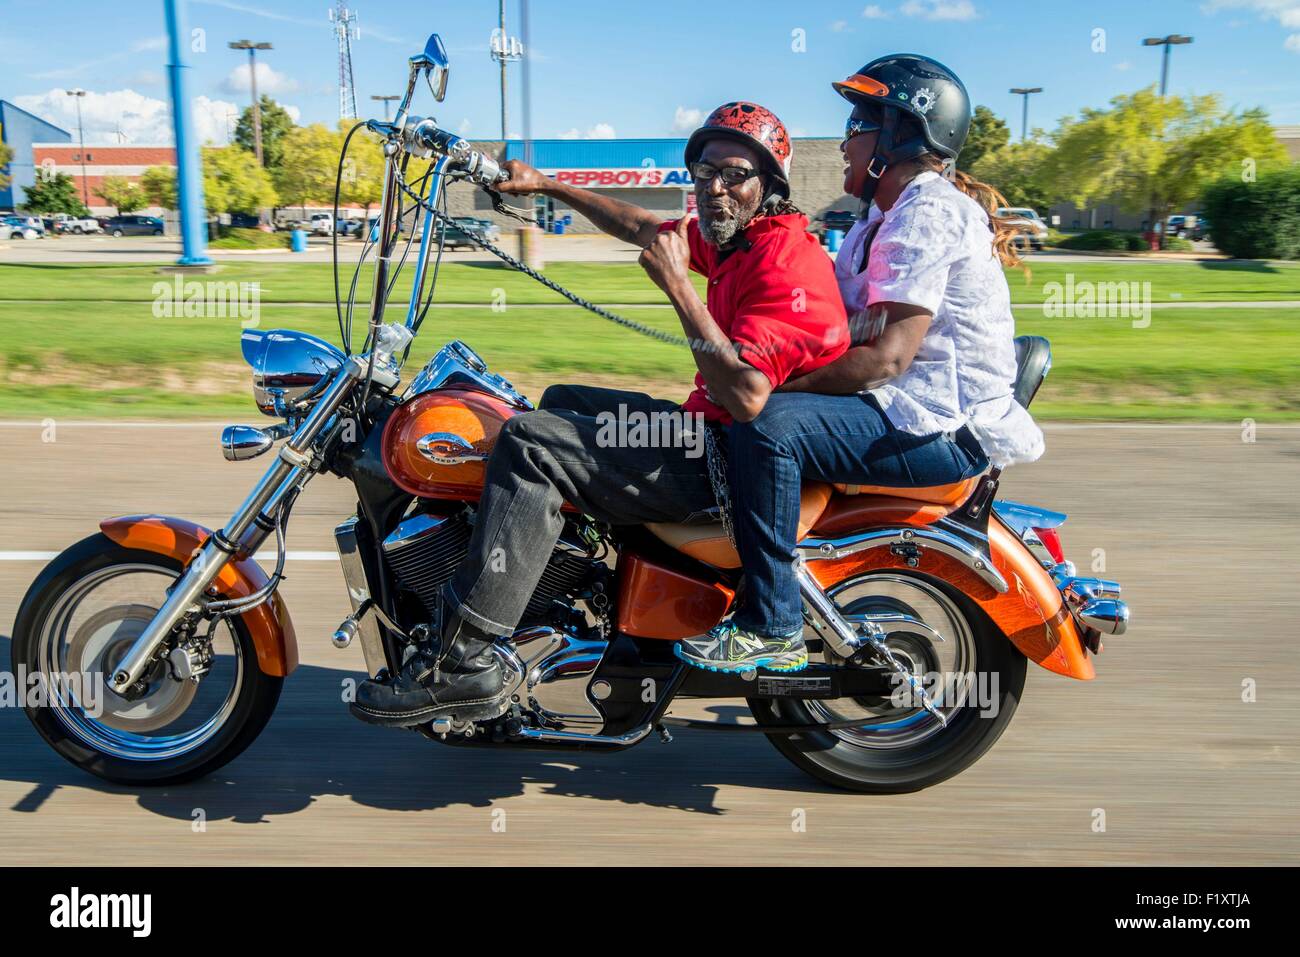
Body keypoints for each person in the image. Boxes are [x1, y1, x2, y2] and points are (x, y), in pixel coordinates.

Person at [351, 102, 849, 726]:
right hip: (701, 433)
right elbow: (643, 225)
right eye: (703, 172)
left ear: (769, 183)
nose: (713, 188)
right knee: (561, 402)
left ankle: (465, 660)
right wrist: (548, 185)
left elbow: (748, 396)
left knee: (530, 442)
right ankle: (563, 580)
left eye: (733, 174)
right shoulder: (740, 239)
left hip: (722, 459)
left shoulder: (787, 265)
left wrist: (678, 288)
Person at [675, 55, 1045, 674]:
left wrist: (768, 388)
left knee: (769, 427)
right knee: (754, 411)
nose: (846, 143)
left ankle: (771, 625)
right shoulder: (879, 220)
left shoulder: (928, 214)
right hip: (905, 408)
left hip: (937, 424)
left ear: (900, 135)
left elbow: (885, 359)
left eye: (856, 127)